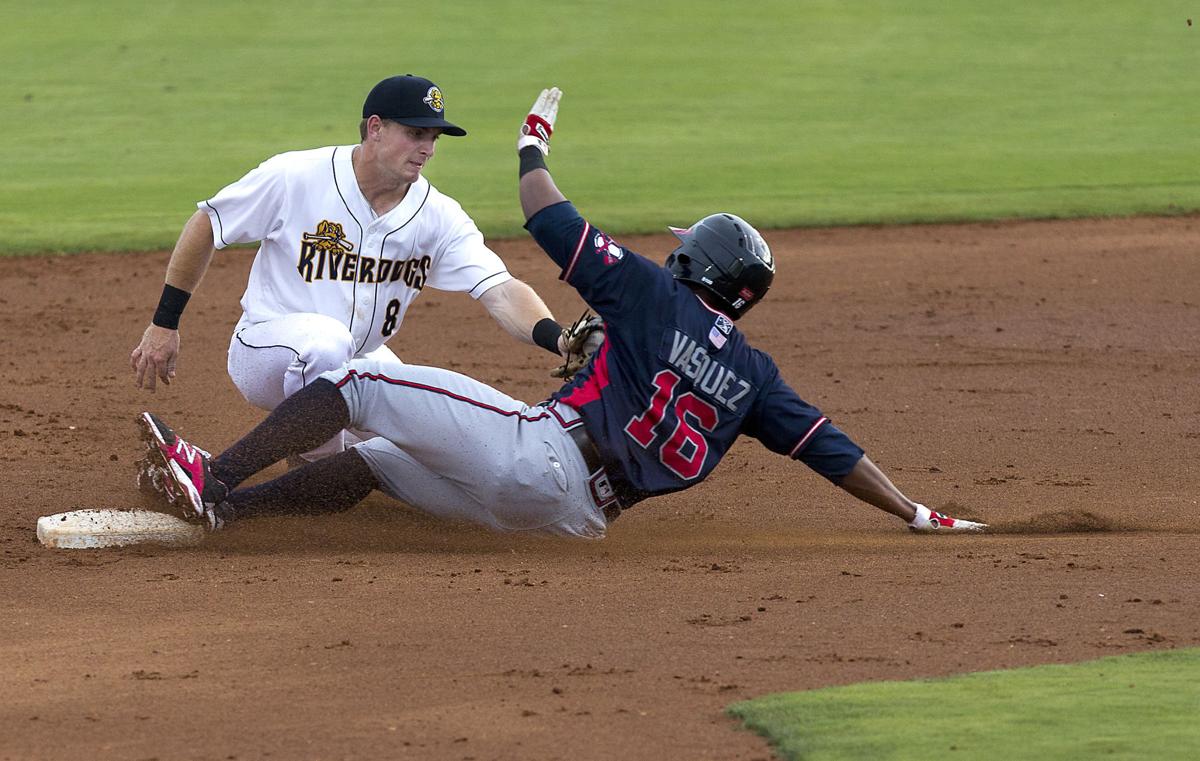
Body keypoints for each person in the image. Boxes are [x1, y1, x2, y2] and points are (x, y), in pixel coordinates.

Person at [134, 88, 987, 537]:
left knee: (356, 380)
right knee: (377, 462)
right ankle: (227, 517)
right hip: (575, 522)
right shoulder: (756, 376)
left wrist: (532, 140)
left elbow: (548, 220)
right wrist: (914, 510)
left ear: (698, 265)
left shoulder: (654, 295)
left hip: (537, 457)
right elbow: (832, 451)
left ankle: (211, 475)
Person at [129, 75, 572, 463]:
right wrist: (164, 324)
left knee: (436, 444)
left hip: (359, 362)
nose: (427, 149)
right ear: (375, 128)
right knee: (327, 345)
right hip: (268, 351)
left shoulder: (439, 216)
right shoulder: (297, 176)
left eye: (434, 138)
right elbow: (207, 223)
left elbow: (500, 290)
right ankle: (317, 466)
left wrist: (558, 338)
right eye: (416, 133)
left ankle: (353, 457)